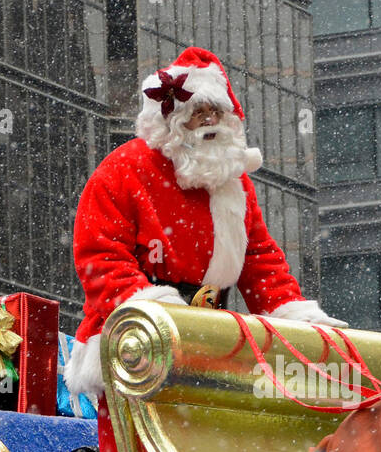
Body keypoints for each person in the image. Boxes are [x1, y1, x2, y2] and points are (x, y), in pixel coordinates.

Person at [62, 46, 345, 402]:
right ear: (173, 119)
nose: (210, 121)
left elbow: (260, 262)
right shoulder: (123, 169)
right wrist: (156, 312)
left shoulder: (234, 183)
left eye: (216, 111)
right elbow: (100, 256)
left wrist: (297, 317)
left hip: (212, 343)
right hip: (133, 340)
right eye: (198, 112)